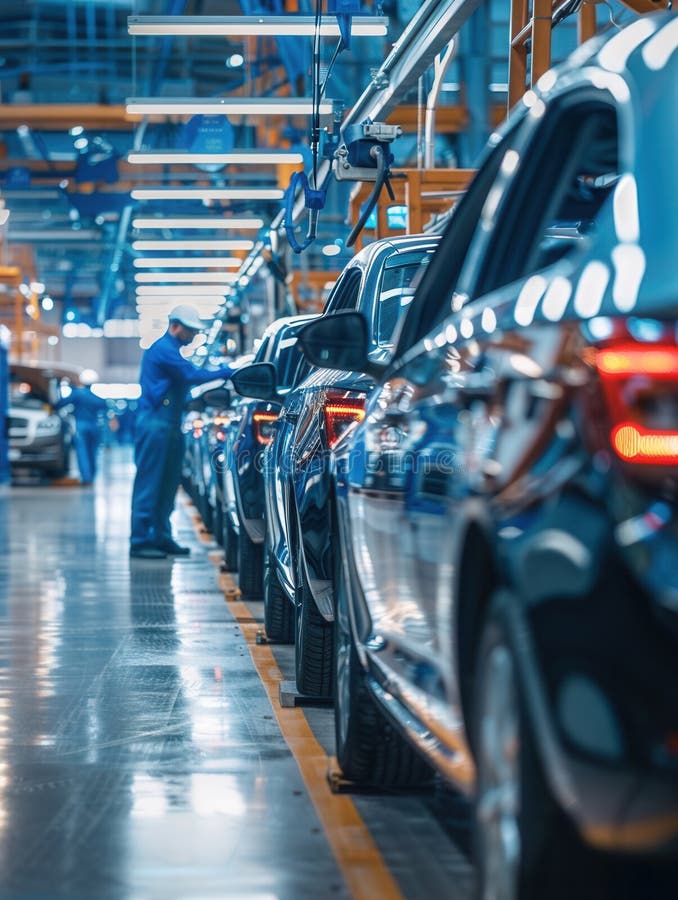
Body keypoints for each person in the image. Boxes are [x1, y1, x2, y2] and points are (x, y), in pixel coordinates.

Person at [130, 305, 235, 560]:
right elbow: (191, 375)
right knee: (150, 483)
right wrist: (228, 371)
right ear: (175, 326)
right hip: (156, 424)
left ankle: (161, 537)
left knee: (167, 484)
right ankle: (141, 540)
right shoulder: (163, 349)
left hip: (170, 425)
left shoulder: (172, 351)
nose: (193, 336)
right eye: (190, 330)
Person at [55, 369, 108, 485]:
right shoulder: (98, 398)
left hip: (81, 426)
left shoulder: (77, 394)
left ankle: (86, 478)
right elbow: (105, 408)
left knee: (82, 452)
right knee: (93, 453)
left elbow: (60, 403)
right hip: (95, 426)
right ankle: (92, 477)